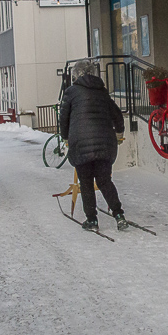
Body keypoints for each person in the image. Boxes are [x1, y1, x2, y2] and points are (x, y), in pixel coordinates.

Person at [59, 59, 127, 231]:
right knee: (104, 180)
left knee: (86, 182)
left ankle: (92, 220)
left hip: (81, 144)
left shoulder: (71, 92)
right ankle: (119, 214)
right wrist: (119, 133)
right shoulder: (102, 92)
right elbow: (117, 115)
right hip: (105, 142)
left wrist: (65, 137)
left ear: (76, 75)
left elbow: (63, 118)